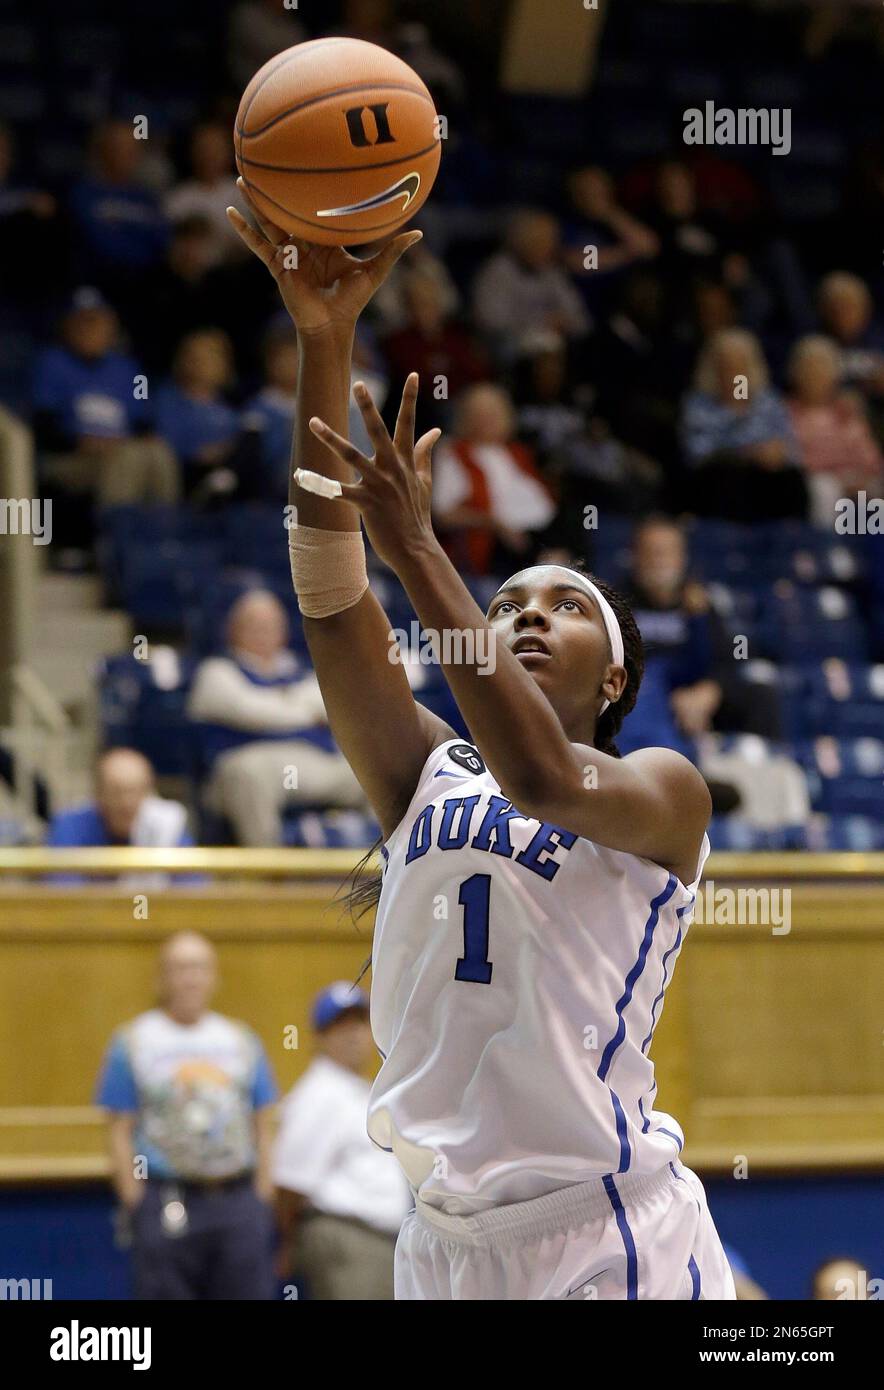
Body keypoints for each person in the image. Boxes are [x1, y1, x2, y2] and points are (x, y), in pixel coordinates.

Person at [227, 183, 736, 1301]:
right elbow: (325, 592)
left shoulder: (662, 793)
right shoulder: (426, 769)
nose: (521, 615)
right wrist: (326, 341)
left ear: (612, 677)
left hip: (606, 1226)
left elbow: (541, 776)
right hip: (443, 1242)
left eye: (559, 605)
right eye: (507, 602)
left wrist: (420, 552)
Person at [95, 932, 278, 1300]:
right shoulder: (132, 1042)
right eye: (179, 968)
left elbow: (264, 1121)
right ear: (160, 978)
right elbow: (119, 1131)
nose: (190, 978)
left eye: (199, 968)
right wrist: (136, 1200)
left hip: (238, 1202)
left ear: (214, 976)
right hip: (166, 1202)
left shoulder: (241, 1040)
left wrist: (261, 1196)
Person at [186, 589, 364, 846]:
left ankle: (375, 866)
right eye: (254, 626)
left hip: (310, 760)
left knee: (372, 773)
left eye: (270, 626)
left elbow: (333, 707)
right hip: (245, 763)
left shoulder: (300, 669)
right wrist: (303, 712)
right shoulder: (216, 672)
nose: (263, 634)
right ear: (234, 630)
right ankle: (271, 875)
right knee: (250, 775)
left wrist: (281, 707)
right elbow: (249, 710)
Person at [273, 983, 411, 1300]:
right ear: (320, 1037)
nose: (353, 1034)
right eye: (341, 1025)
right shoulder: (318, 1094)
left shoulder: (360, 1089)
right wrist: (285, 1244)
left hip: (378, 1243)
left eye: (360, 1023)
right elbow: (289, 1185)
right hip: (345, 1239)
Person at [31, 288, 180, 527]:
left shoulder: (132, 372)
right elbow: (43, 424)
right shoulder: (51, 363)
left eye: (97, 322)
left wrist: (124, 443)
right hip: (70, 458)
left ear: (112, 327)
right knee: (125, 459)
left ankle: (165, 534)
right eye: (82, 322)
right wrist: (82, 443)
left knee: (159, 452)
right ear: (66, 326)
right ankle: (113, 540)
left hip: (121, 452)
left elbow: (144, 421)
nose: (89, 330)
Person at [680, 328, 807, 521]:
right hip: (720, 476)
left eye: (740, 367)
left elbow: (792, 450)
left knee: (791, 478)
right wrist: (746, 452)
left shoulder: (768, 401)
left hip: (766, 477)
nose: (735, 375)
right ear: (714, 370)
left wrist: (778, 452)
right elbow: (696, 453)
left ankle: (791, 539)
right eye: (727, 367)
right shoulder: (698, 404)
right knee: (729, 478)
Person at [432, 382, 558, 575]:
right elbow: (444, 515)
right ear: (464, 417)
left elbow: (545, 503)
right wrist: (495, 524)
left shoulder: (518, 453)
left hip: (540, 537)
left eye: (493, 412)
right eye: (478, 413)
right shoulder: (453, 451)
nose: (487, 419)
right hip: (494, 548)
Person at [45, 747, 193, 887]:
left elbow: (194, 893)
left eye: (135, 791)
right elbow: (62, 893)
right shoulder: (70, 826)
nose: (126, 803)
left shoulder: (166, 826)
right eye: (117, 792)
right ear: (98, 794)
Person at [787, 334, 883, 523]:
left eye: (823, 369)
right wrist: (841, 478)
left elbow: (867, 454)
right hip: (818, 481)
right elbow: (795, 459)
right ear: (796, 374)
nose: (816, 377)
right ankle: (828, 547)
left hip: (855, 476)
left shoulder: (845, 410)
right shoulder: (787, 412)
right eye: (809, 370)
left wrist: (864, 476)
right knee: (823, 488)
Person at [472, 209, 590, 362]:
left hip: (555, 348)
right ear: (521, 242)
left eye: (550, 243)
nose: (548, 249)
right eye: (539, 242)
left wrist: (565, 322)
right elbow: (490, 323)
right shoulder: (497, 272)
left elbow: (581, 319)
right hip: (511, 350)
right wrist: (541, 323)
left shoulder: (552, 272)